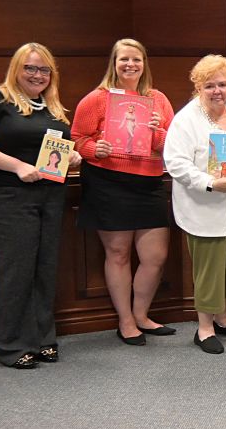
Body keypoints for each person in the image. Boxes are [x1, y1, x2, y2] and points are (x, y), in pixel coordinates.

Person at [0, 43, 79, 369]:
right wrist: (16, 165)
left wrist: (72, 156)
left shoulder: (51, 105)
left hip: (51, 195)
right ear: (16, 69)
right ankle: (13, 345)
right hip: (10, 196)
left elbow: (55, 149)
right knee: (16, 272)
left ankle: (42, 338)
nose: (37, 75)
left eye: (44, 70)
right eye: (30, 68)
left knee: (45, 269)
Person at [72, 39, 175, 345]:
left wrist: (158, 130)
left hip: (148, 183)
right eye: (124, 60)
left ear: (145, 64)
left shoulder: (158, 100)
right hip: (108, 182)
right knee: (117, 254)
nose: (130, 65)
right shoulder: (96, 99)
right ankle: (126, 320)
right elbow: (77, 138)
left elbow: (168, 143)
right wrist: (94, 148)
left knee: (155, 256)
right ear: (114, 64)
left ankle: (142, 314)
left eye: (136, 60)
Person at [163, 55, 226, 355]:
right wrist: (209, 182)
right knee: (209, 270)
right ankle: (204, 328)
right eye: (209, 86)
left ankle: (224, 318)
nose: (217, 91)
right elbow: (175, 164)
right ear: (197, 87)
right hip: (206, 205)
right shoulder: (185, 120)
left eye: (222, 84)